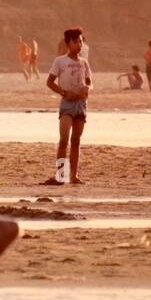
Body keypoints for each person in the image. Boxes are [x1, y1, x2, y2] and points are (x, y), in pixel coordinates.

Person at [46, 28, 92, 185]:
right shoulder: (60, 61)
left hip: (81, 104)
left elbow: (89, 81)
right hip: (67, 104)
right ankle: (60, 175)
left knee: (76, 140)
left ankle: (74, 176)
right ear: (68, 43)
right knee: (64, 139)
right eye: (76, 41)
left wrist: (87, 88)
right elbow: (50, 82)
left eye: (81, 41)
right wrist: (64, 93)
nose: (80, 44)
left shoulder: (84, 62)